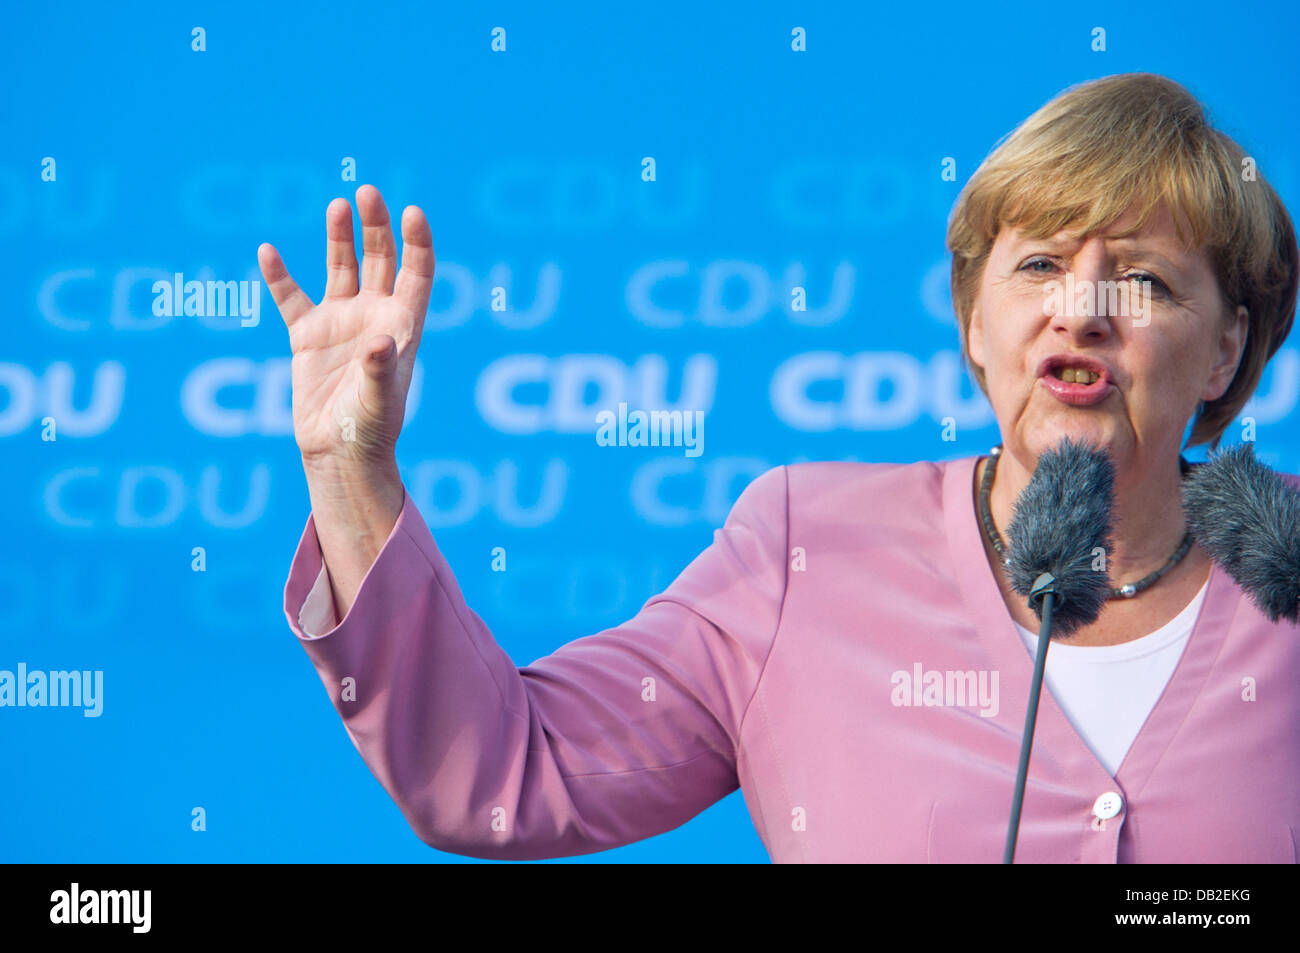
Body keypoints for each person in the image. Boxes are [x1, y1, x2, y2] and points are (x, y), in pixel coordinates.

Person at [259, 72, 1299, 862]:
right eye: (1036, 266)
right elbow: (503, 769)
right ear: (974, 325)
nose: (1080, 308)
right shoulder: (810, 547)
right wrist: (351, 469)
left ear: (1223, 348)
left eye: (1142, 280)